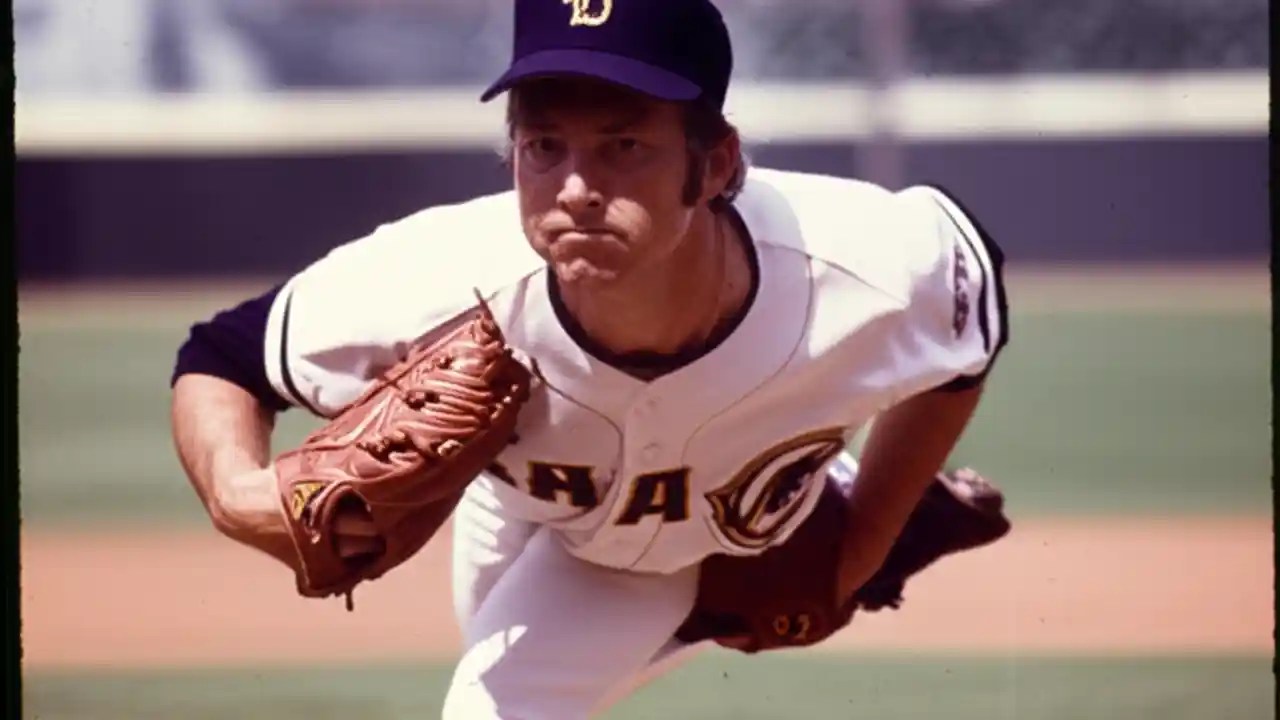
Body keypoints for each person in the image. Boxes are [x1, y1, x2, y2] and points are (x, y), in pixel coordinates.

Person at [169, 0, 1009, 717]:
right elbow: (223, 357)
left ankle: (838, 516)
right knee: (506, 668)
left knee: (496, 705)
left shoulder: (864, 269)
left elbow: (968, 335)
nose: (575, 187)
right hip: (524, 497)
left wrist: (864, 540)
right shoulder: (438, 278)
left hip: (679, 538)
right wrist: (235, 495)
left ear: (716, 163)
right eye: (544, 147)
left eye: (624, 146)